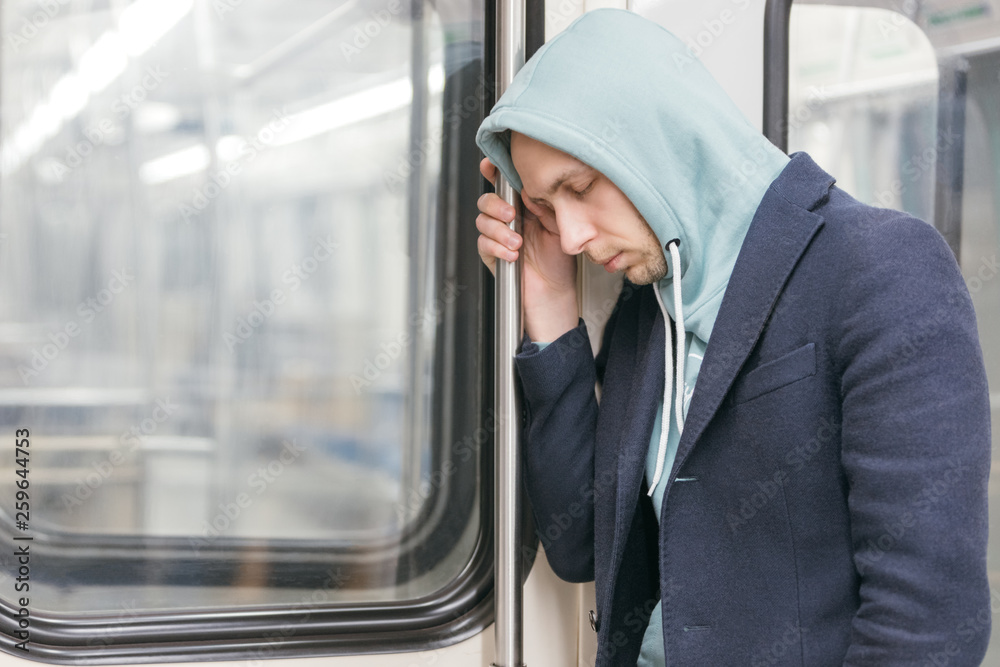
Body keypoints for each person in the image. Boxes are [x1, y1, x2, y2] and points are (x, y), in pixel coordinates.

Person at [474, 9, 991, 667]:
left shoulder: (880, 269)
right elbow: (583, 546)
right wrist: (549, 303)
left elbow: (928, 627)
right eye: (548, 208)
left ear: (662, 141)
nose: (572, 235)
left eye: (580, 187)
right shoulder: (649, 311)